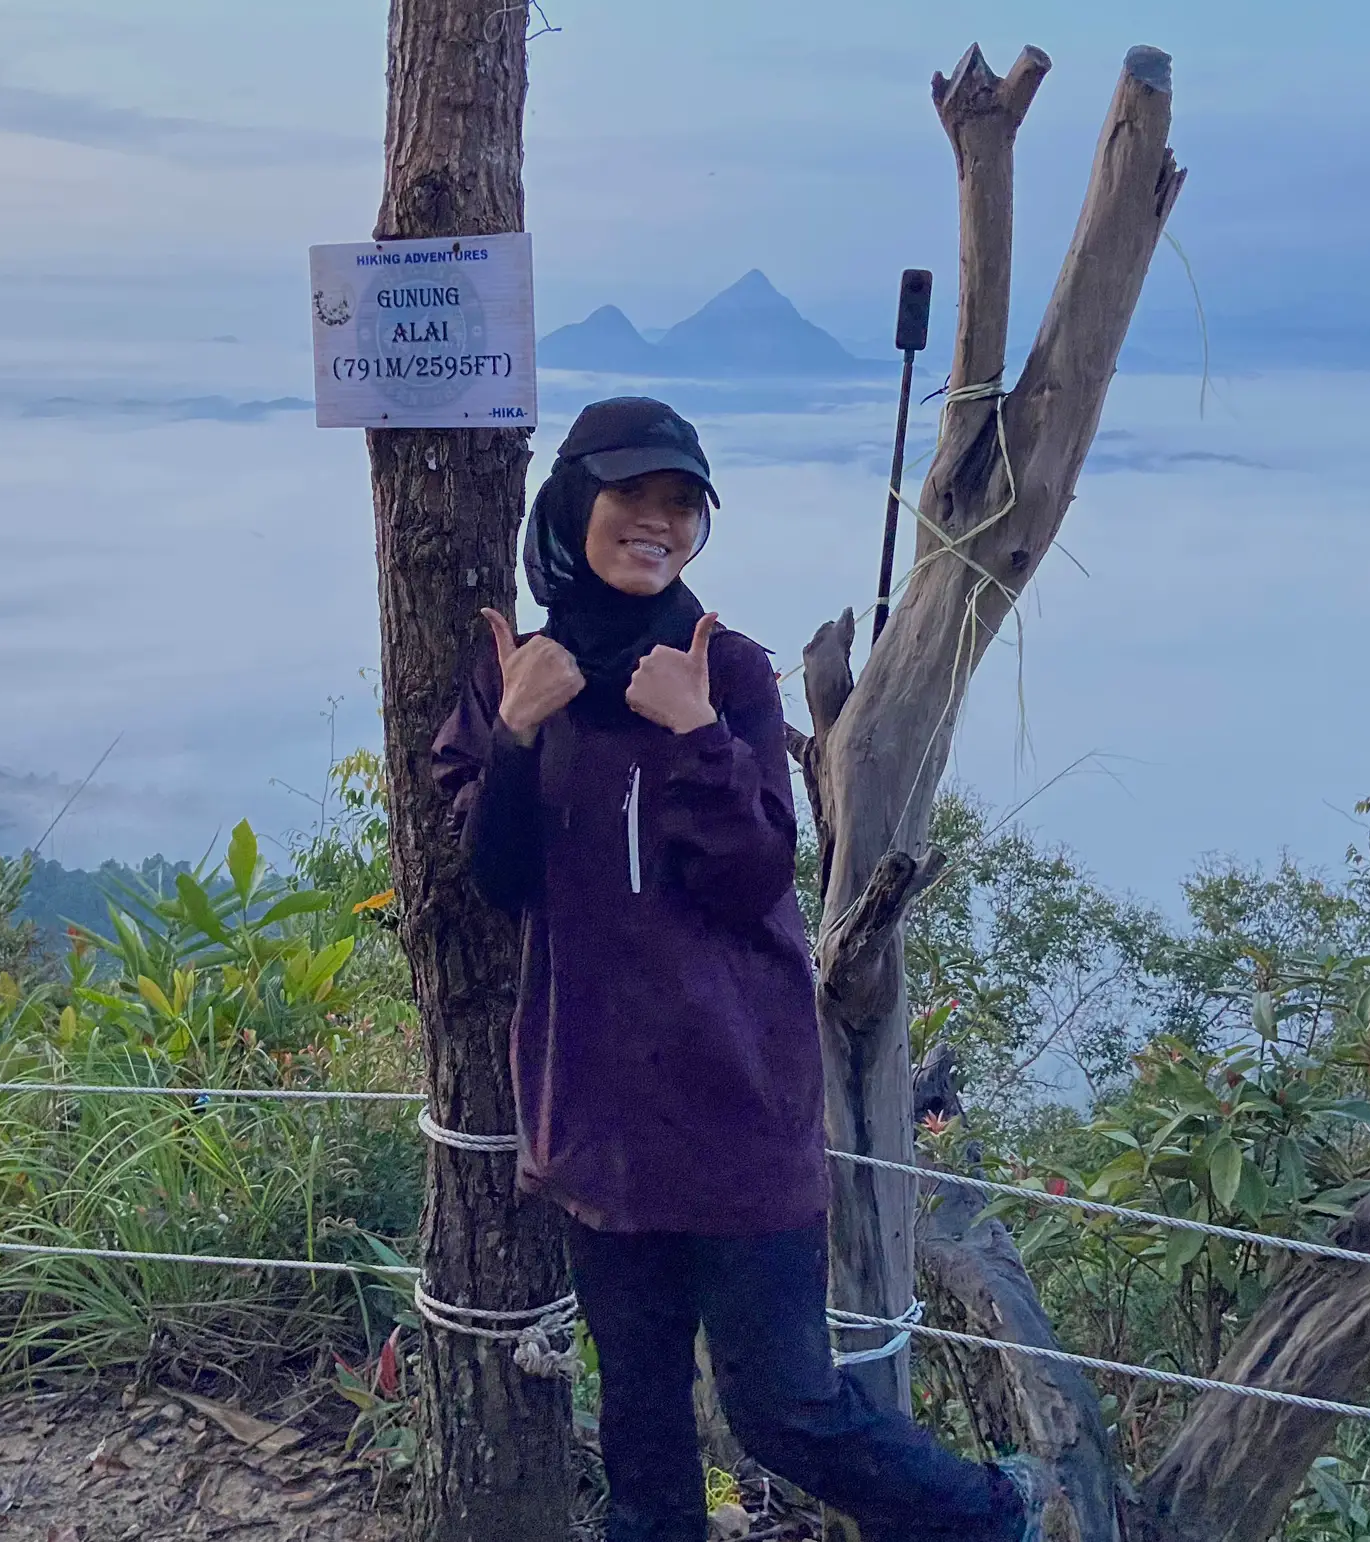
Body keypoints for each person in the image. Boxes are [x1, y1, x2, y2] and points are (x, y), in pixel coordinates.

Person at [433, 396, 1051, 1542]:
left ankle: (984, 1515)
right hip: (597, 1110)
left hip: (735, 1106)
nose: (657, 523)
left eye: (682, 503)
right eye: (632, 496)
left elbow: (755, 873)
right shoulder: (516, 672)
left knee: (782, 1406)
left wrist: (696, 733)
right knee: (642, 1427)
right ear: (574, 504)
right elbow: (499, 878)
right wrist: (516, 736)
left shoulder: (728, 672)